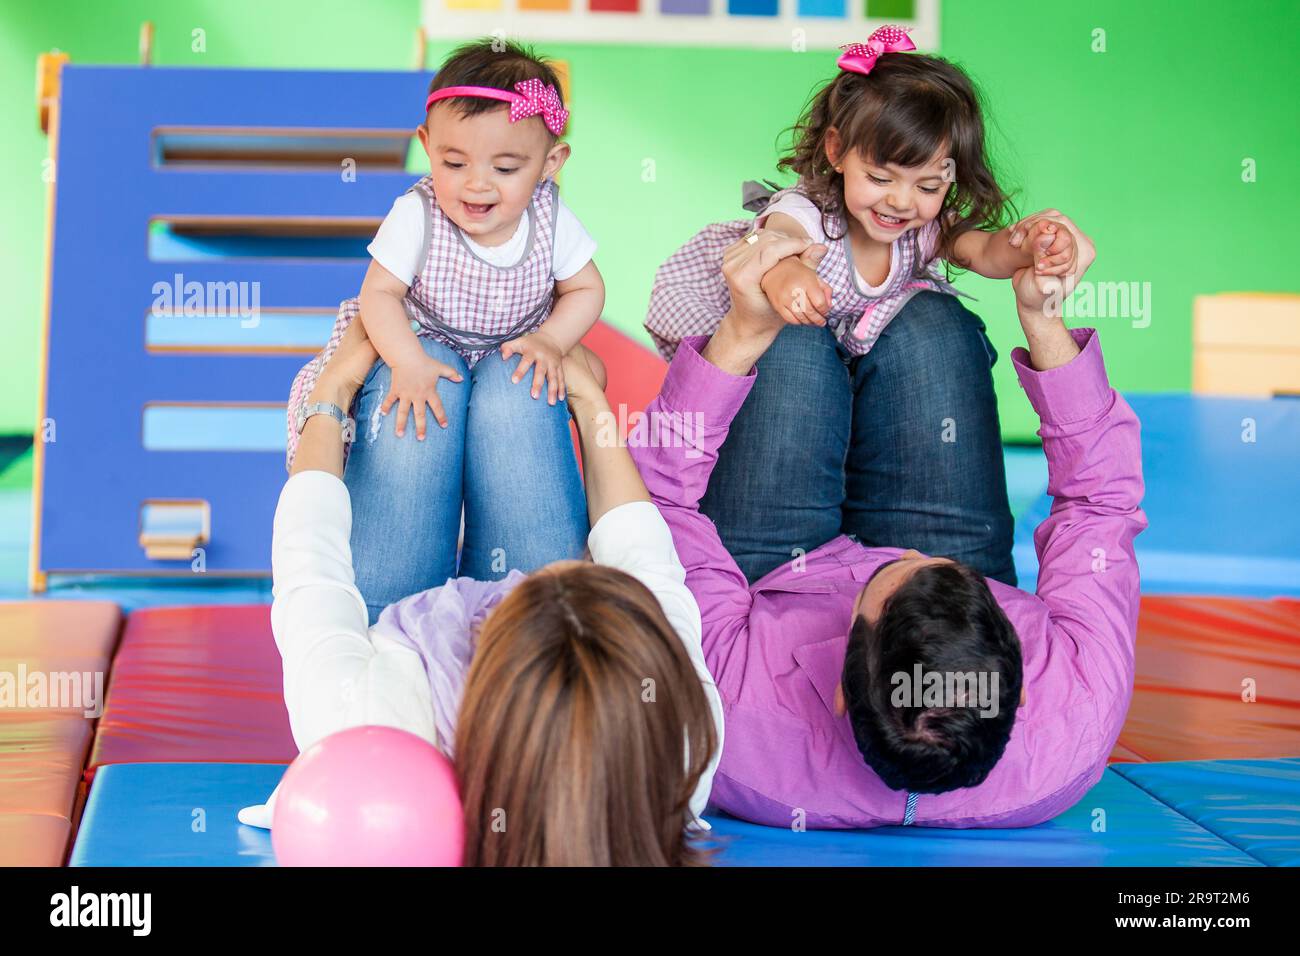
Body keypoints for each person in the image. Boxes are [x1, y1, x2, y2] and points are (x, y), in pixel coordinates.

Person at [629, 214, 1148, 827]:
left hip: (770, 581)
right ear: (1022, 685)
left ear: (844, 694)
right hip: (894, 584)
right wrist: (1043, 318)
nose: (912, 554)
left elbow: (655, 504)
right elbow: (1099, 502)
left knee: (789, 342)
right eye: (949, 576)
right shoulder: (1074, 712)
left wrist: (740, 334)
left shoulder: (734, 717)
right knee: (933, 327)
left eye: (905, 575)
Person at [241, 319, 722, 866]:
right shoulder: (676, 741)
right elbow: (644, 558)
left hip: (396, 657)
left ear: (483, 647)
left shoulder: (372, 723)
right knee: (519, 384)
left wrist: (332, 393)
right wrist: (590, 401)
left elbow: (311, 564)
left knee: (421, 369)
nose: (507, 587)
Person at [645, 26, 1079, 585]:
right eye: (880, 178)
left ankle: (927, 589)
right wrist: (790, 274)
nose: (901, 202)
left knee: (932, 329)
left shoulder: (925, 226)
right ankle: (780, 576)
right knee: (791, 345)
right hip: (804, 334)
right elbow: (776, 243)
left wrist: (1034, 242)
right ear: (836, 152)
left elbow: (988, 251)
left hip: (873, 351)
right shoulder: (810, 213)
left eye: (928, 185)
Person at [286, 39, 603, 621]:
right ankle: (393, 620)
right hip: (426, 349)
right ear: (427, 148)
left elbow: (587, 290)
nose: (476, 185)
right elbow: (378, 295)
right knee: (431, 387)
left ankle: (512, 618)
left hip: (506, 360)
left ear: (550, 164)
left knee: (519, 383)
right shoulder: (418, 212)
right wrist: (407, 359)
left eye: (506, 168)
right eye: (454, 163)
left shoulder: (552, 217)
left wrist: (553, 340)